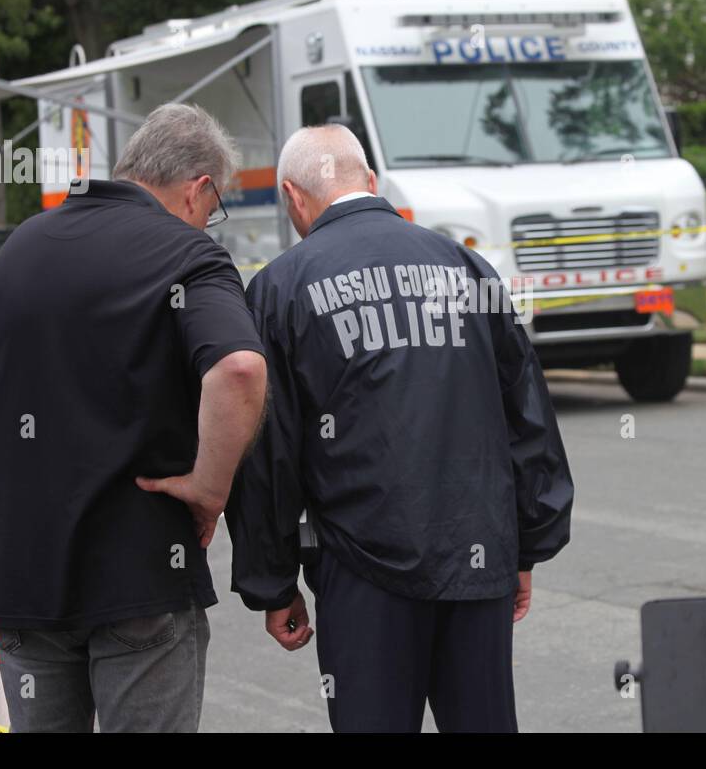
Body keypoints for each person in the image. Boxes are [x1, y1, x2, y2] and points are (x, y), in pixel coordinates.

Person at [226, 124, 573, 733]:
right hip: (478, 556)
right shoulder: (467, 267)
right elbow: (528, 415)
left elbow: (267, 453)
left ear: (293, 196)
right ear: (371, 181)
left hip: (363, 569)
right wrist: (528, 544)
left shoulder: (280, 289)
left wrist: (272, 582)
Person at [0, 103, 267, 732]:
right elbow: (240, 369)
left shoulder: (19, 249)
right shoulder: (188, 254)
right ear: (199, 189)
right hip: (138, 571)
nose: (207, 222)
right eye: (212, 209)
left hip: (20, 575)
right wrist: (208, 491)